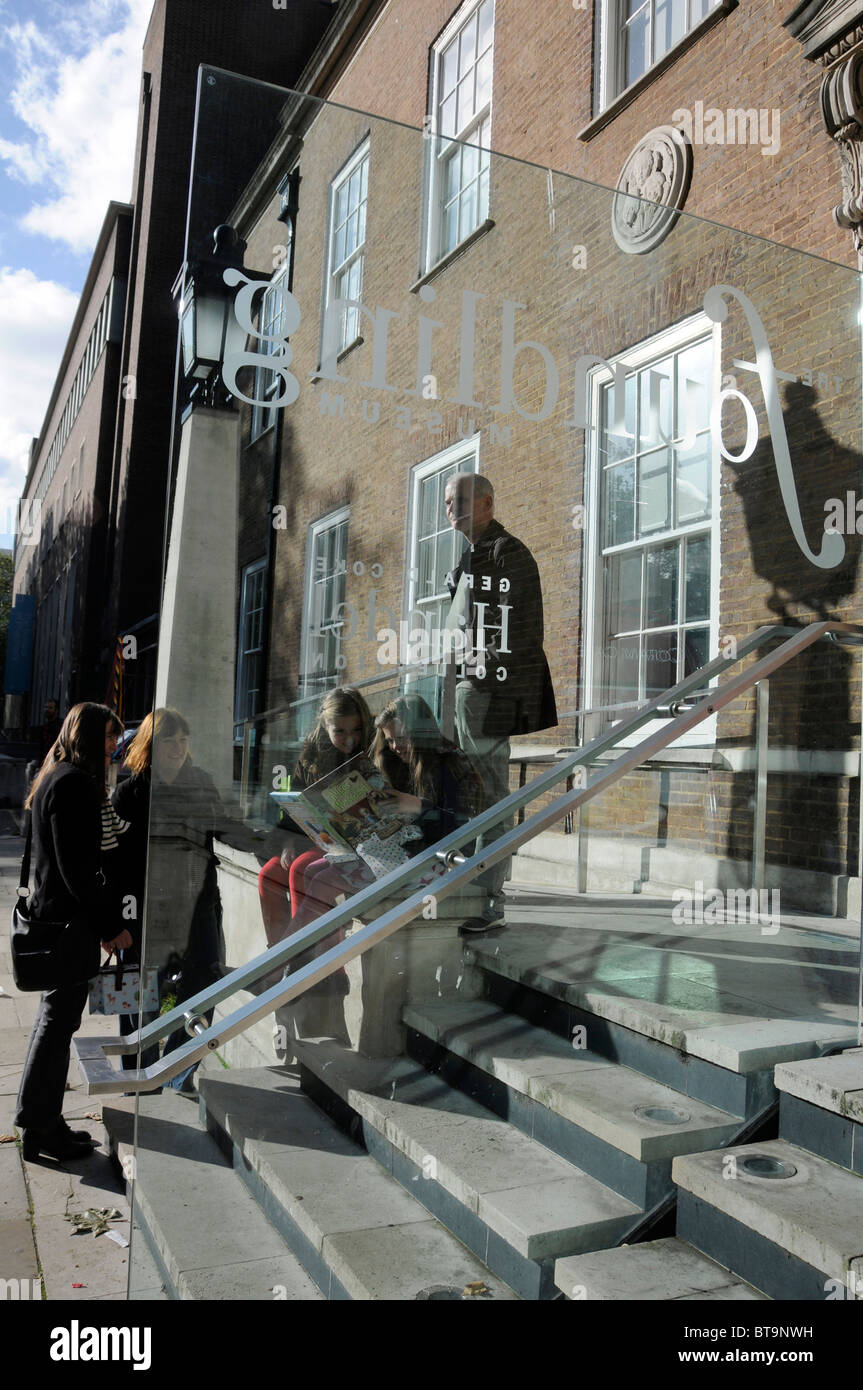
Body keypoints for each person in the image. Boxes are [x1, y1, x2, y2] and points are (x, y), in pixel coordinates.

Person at [15, 702, 131, 1162]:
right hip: (68, 925)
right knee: (57, 1023)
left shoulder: (54, 776)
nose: (113, 746)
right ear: (85, 737)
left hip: (59, 920)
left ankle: (43, 1120)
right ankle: (40, 1127)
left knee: (55, 1022)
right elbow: (77, 870)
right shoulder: (74, 784)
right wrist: (110, 927)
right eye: (106, 737)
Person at [444, 471, 557, 933]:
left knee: (490, 794)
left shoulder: (507, 554)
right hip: (468, 690)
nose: (450, 508)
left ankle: (489, 900)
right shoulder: (472, 556)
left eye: (460, 500)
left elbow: (520, 634)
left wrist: (482, 673)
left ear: (488, 504)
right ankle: (475, 886)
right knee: (475, 791)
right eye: (448, 501)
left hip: (489, 692)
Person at [111, 708, 227, 1088]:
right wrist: (115, 921)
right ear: (151, 744)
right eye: (168, 740)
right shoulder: (129, 793)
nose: (178, 748)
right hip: (146, 910)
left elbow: (221, 833)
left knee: (206, 985)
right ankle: (140, 1083)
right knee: (137, 996)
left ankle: (174, 1073)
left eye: (183, 740)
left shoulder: (202, 784)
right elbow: (114, 861)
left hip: (198, 905)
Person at [257, 686, 375, 946]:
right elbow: (296, 805)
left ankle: (314, 965)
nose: (350, 739)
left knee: (301, 870)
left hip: (355, 844)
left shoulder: (373, 750)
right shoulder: (311, 754)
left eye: (356, 730)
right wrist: (288, 841)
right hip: (315, 837)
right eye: (340, 732)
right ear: (325, 727)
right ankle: (276, 966)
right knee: (268, 876)